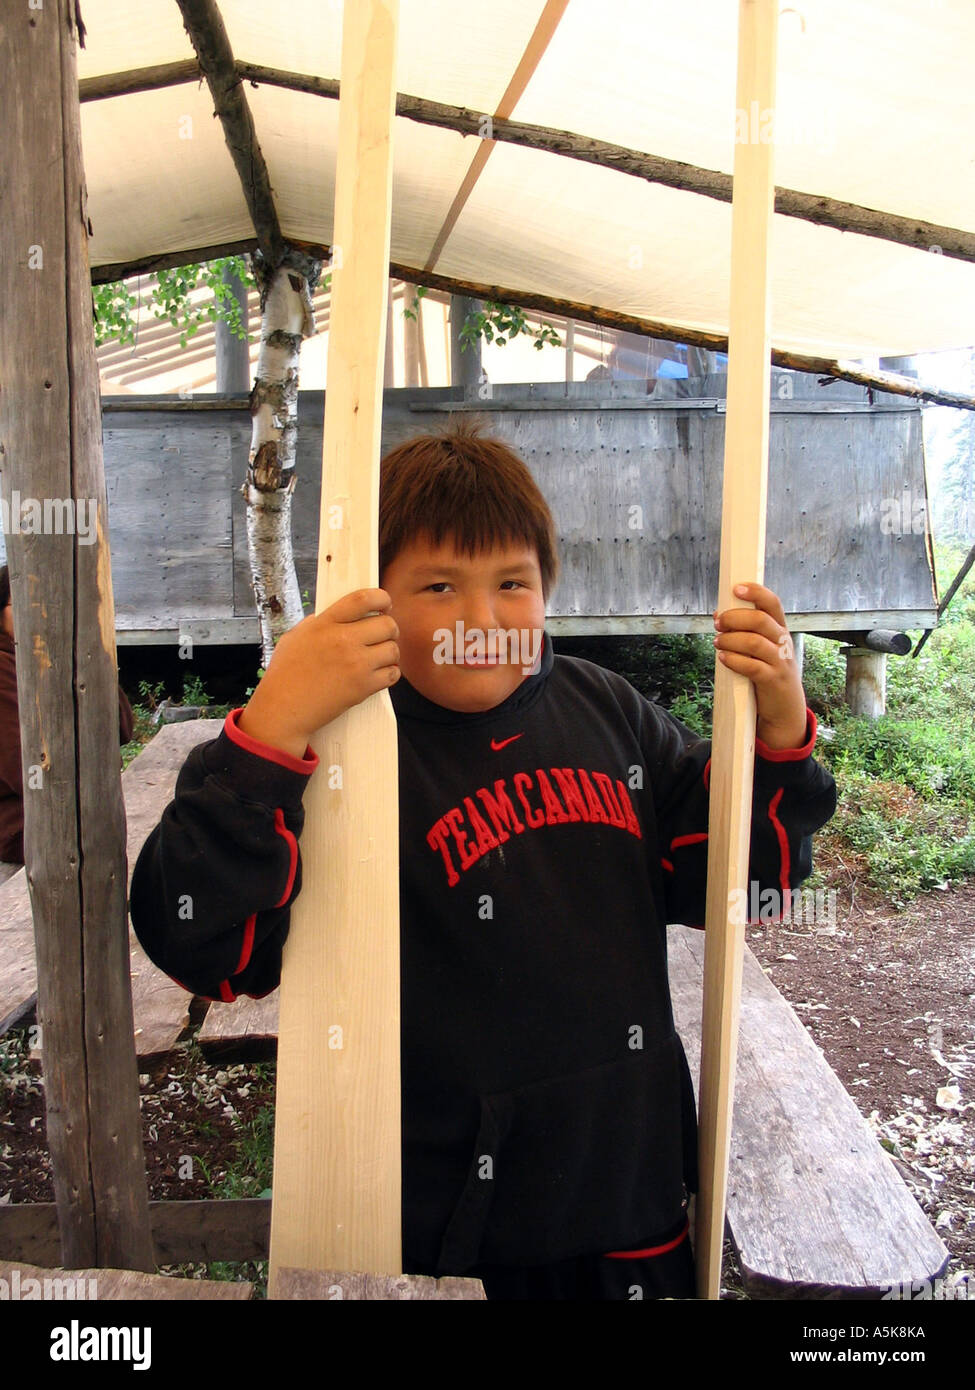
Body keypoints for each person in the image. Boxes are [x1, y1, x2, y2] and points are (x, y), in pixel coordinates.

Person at [130, 422, 836, 1299]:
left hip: (625, 1185)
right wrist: (270, 729)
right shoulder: (336, 748)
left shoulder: (605, 710)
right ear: (370, 598)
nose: (481, 619)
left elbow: (746, 881)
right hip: (440, 1218)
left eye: (512, 582)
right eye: (437, 585)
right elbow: (209, 949)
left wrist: (776, 729)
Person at [0, 563, 135, 871]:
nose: (36, 614)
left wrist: (89, 657)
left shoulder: (50, 659)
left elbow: (121, 730)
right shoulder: (5, 667)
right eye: (21, 604)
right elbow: (27, 772)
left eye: (46, 604)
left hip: (76, 809)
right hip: (25, 825)